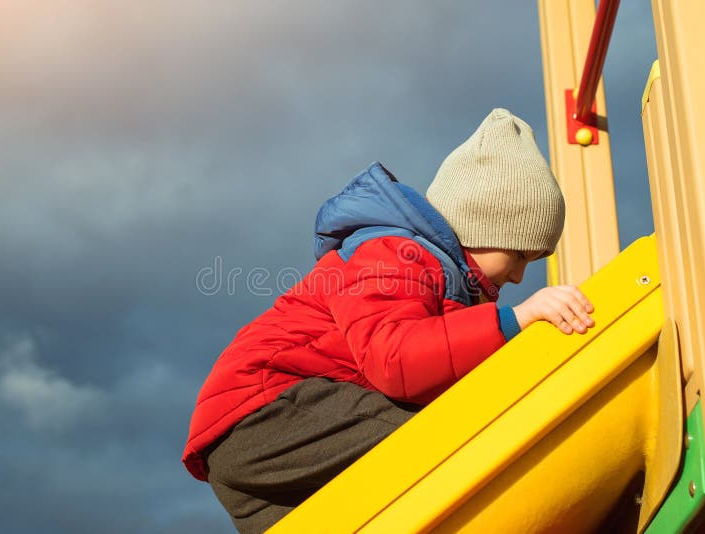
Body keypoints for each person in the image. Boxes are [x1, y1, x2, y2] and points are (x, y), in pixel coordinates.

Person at [182, 108, 595, 533]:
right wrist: (517, 320)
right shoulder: (397, 254)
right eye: (521, 254)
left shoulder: (444, 286)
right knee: (463, 428)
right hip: (267, 412)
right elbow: (398, 360)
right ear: (485, 224)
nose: (520, 276)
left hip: (251, 456)